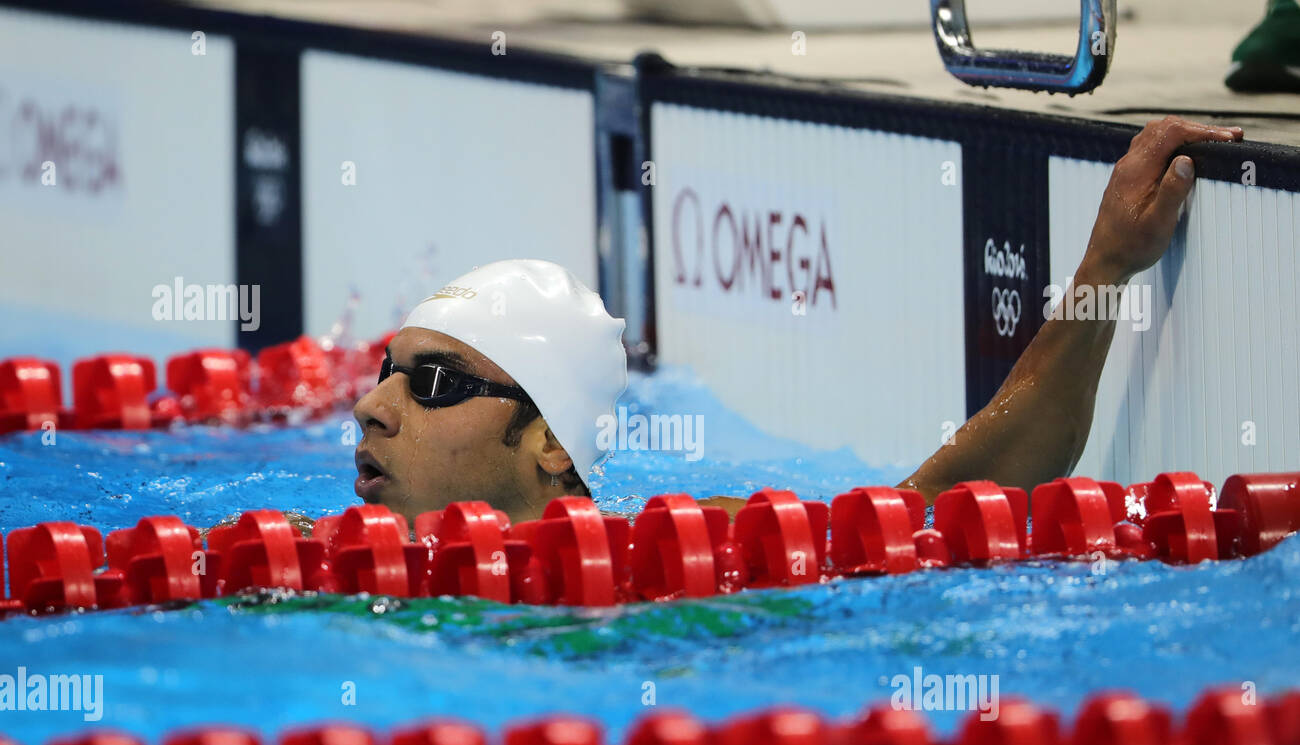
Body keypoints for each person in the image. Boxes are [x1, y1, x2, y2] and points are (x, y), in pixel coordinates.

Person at [211, 116, 1244, 539]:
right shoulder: (288, 561)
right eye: (385, 372)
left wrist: (1105, 266)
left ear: (553, 444)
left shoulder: (685, 554)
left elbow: (957, 494)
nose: (370, 408)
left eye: (431, 383)